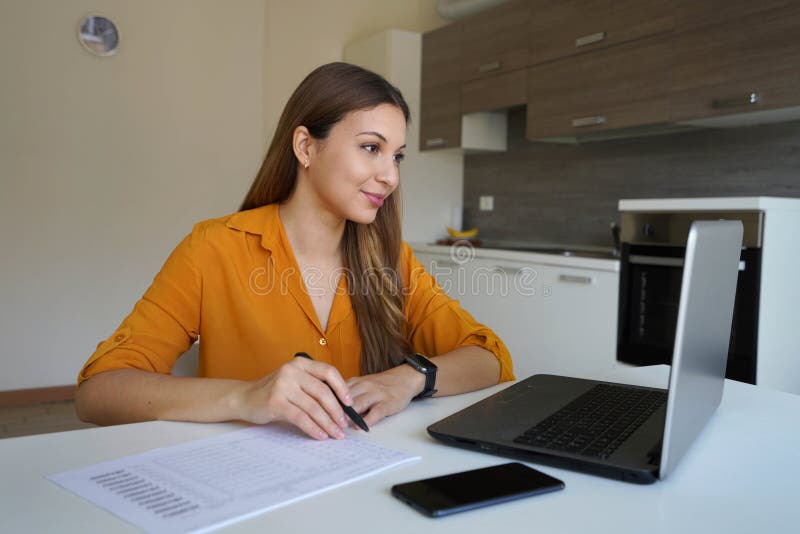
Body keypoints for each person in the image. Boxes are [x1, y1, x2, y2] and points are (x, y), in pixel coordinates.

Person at [75, 62, 514, 440]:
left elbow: (489, 357)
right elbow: (99, 391)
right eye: (370, 148)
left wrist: (410, 378)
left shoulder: (391, 260)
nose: (389, 176)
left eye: (396, 157)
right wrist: (244, 396)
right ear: (306, 146)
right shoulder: (213, 248)